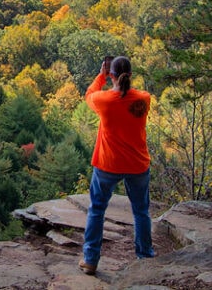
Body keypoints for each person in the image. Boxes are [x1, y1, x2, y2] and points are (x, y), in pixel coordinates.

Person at [78, 55, 154, 276]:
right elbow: (131, 98)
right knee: (141, 211)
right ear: (130, 75)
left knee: (97, 210)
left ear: (111, 75)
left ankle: (91, 260)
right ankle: (145, 258)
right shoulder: (144, 99)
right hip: (137, 164)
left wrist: (101, 76)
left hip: (108, 164)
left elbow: (89, 94)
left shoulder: (103, 101)